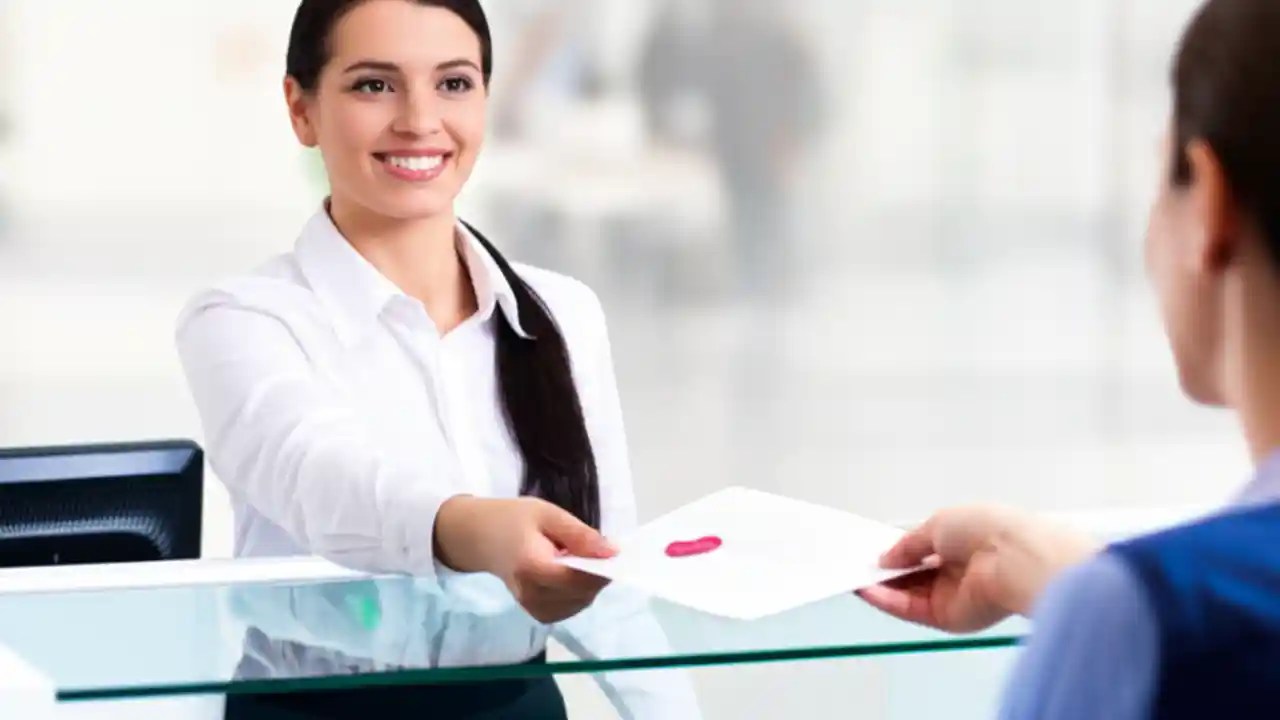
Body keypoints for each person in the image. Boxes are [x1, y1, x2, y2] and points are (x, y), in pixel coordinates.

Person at [174, 1, 699, 717]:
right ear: (301, 109)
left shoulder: (563, 314)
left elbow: (611, 593)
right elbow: (322, 476)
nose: (420, 120)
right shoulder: (243, 319)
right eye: (373, 85)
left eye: (454, 84)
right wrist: (472, 529)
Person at [860, 0, 1280, 717]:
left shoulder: (1139, 621)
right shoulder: (1156, 607)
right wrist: (1061, 570)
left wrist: (1114, 606)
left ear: (1210, 204)